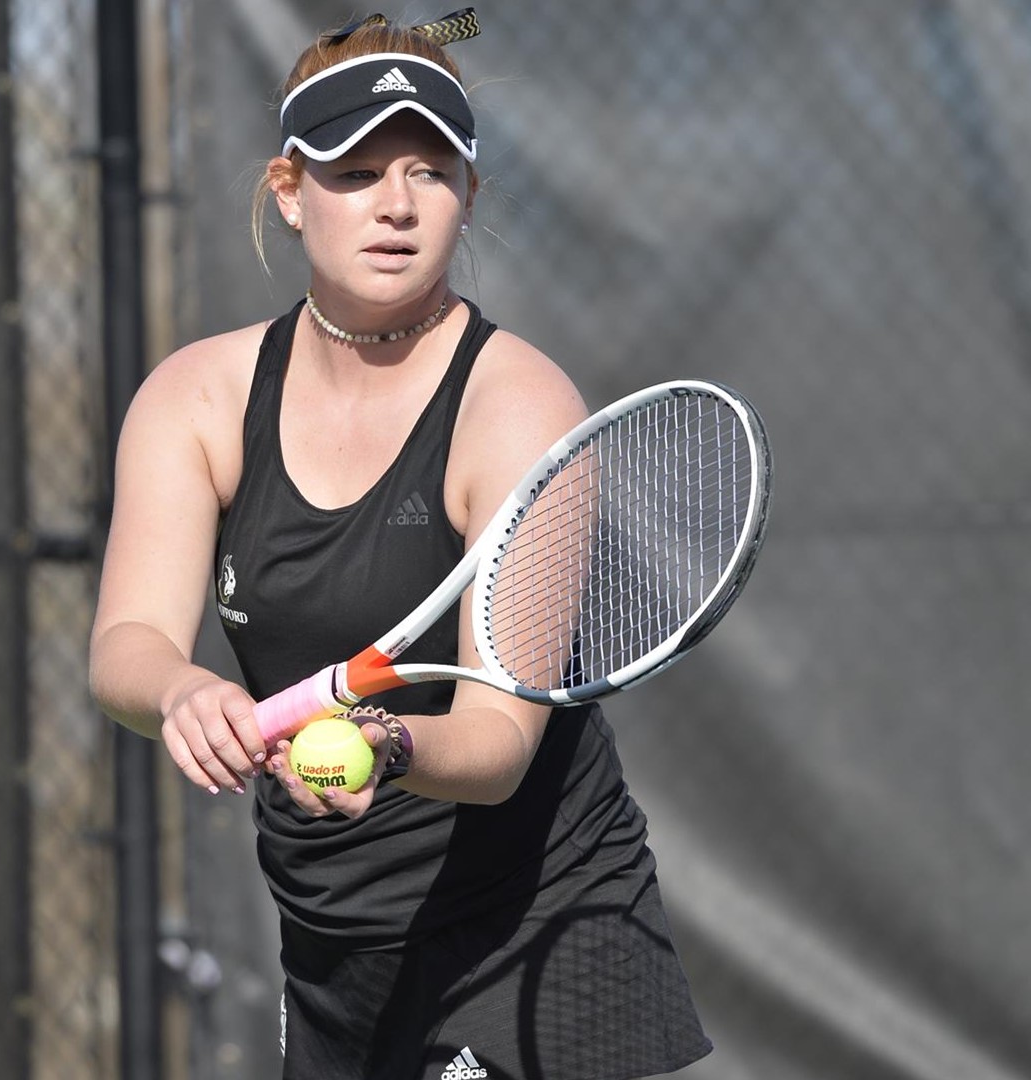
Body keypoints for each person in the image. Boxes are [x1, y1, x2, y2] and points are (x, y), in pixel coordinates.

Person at [88, 10, 712, 1078]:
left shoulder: (517, 409)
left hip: (540, 931)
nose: (394, 204)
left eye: (429, 170)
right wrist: (183, 693)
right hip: (334, 943)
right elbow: (127, 641)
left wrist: (389, 746)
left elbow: (499, 744)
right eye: (354, 169)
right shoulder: (194, 400)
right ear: (291, 193)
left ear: (468, 193)